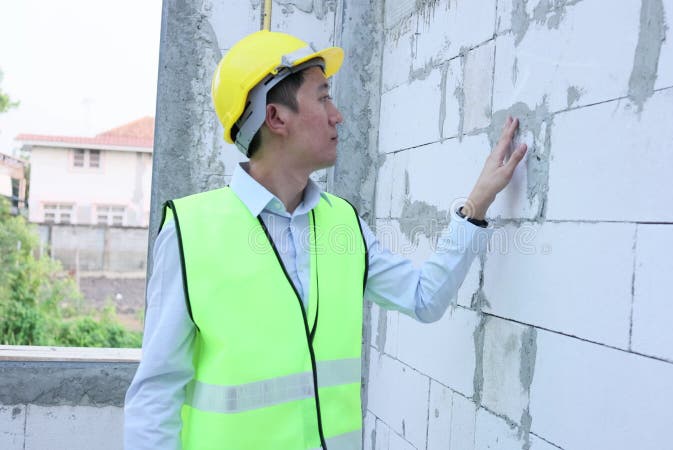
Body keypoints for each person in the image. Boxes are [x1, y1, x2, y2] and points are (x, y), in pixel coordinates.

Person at [123, 30, 527, 450]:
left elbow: (424, 298)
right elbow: (156, 395)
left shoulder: (342, 224)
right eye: (323, 98)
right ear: (276, 118)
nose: (338, 116)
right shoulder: (190, 230)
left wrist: (477, 202)